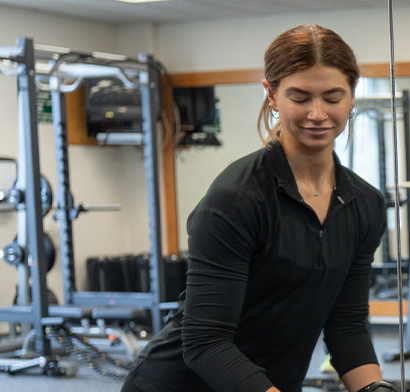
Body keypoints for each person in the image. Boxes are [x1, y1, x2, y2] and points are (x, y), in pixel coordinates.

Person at [121, 25, 394, 392]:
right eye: (300, 98)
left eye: (332, 97)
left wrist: (377, 388)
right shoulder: (236, 199)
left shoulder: (364, 203)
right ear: (272, 94)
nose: (318, 114)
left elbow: (347, 326)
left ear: (352, 94)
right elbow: (206, 342)